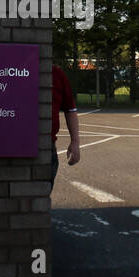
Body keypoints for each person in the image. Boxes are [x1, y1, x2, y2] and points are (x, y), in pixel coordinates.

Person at [50, 64, 79, 192]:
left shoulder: (57, 73)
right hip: (13, 147)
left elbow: (70, 109)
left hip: (47, 147)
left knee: (42, 197)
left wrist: (75, 142)